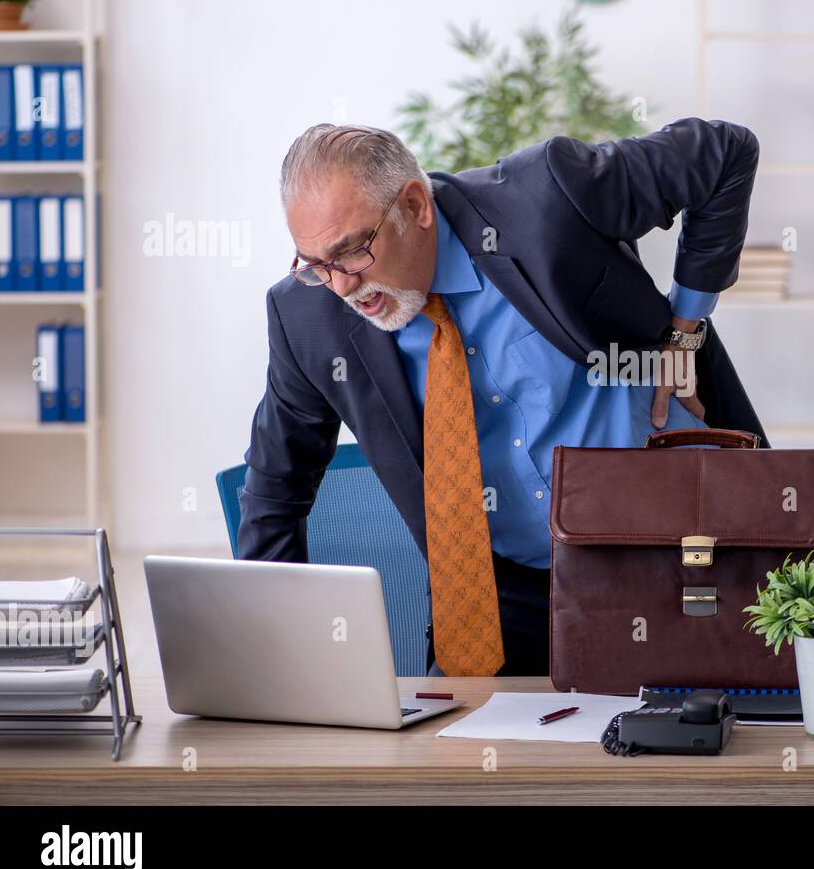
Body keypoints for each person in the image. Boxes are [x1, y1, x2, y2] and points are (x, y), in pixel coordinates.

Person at [239, 117, 766, 677]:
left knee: (702, 742)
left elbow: (726, 153)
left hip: (678, 552)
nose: (341, 285)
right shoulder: (307, 316)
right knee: (449, 753)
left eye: (352, 252)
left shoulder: (546, 199)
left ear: (415, 205)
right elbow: (277, 487)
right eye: (315, 265)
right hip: (502, 598)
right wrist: (275, 662)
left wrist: (685, 330)